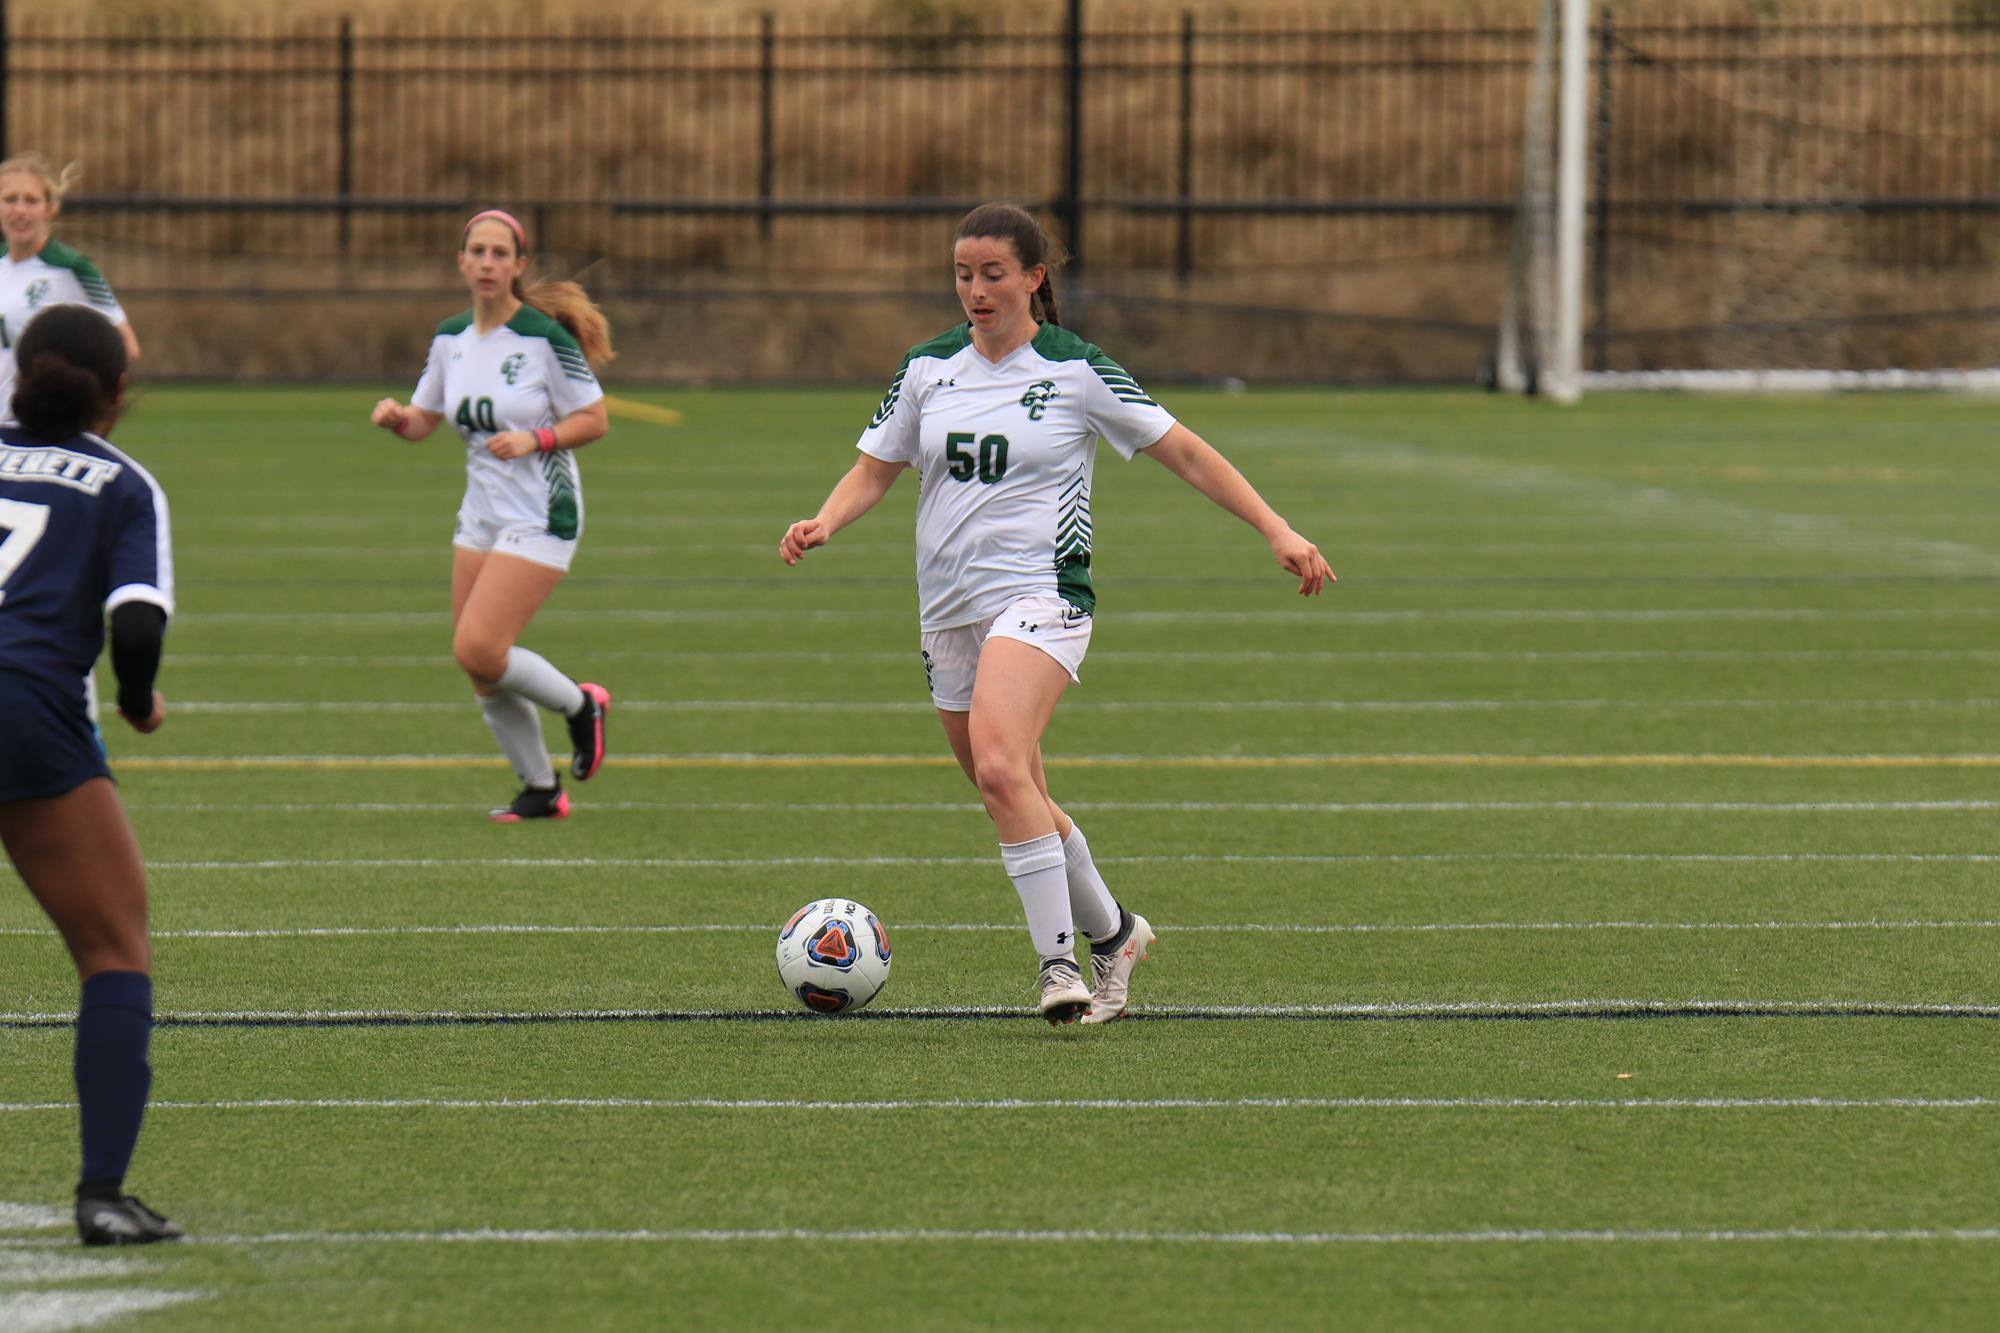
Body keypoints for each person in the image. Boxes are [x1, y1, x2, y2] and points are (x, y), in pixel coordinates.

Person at [780, 203, 1334, 1025]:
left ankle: (1058, 967)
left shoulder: (1076, 369)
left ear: (1034, 278)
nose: (975, 289)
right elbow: (874, 466)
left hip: (1045, 595)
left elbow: (1181, 448)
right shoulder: (928, 366)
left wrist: (1275, 526)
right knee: (1012, 787)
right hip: (948, 613)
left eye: (992, 273)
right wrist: (827, 517)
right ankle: (1115, 935)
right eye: (963, 274)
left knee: (1003, 767)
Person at [0, 305, 179, 1244]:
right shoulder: (121, 481)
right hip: (26, 706)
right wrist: (136, 699)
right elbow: (137, 624)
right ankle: (103, 1195)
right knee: (113, 949)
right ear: (116, 396)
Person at [370, 210, 614, 821]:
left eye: (499, 253)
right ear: (461, 261)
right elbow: (425, 420)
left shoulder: (542, 339)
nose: (486, 262)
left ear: (518, 267)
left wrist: (537, 440)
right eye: (476, 251)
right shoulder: (450, 338)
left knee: (478, 646)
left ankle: (582, 706)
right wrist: (398, 419)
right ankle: (539, 789)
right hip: (479, 515)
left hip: (541, 511)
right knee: (481, 669)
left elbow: (595, 419)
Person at [0, 155, 141, 418]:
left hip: (37, 426)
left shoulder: (73, 268)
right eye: (10, 199)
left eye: (31, 200)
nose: (20, 210)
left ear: (49, 209)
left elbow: (126, 346)